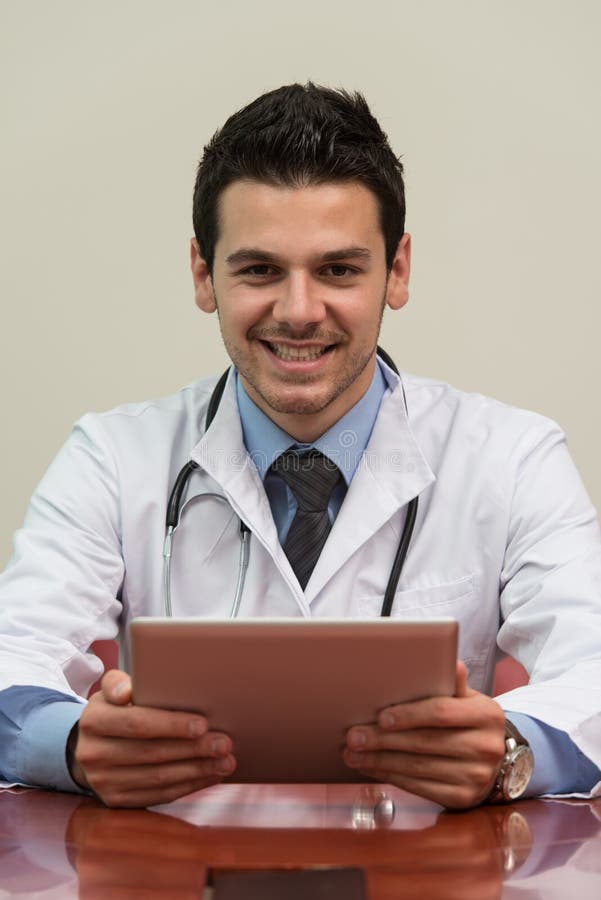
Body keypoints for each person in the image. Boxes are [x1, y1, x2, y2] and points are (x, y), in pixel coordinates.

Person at [1, 83, 600, 810]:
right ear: (202, 274)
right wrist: (73, 746)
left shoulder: (512, 457)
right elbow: (14, 652)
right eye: (259, 270)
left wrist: (512, 752)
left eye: (338, 270)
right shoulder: (113, 456)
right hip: (173, 875)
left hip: (425, 880)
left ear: (397, 270)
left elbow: (592, 668)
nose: (297, 311)